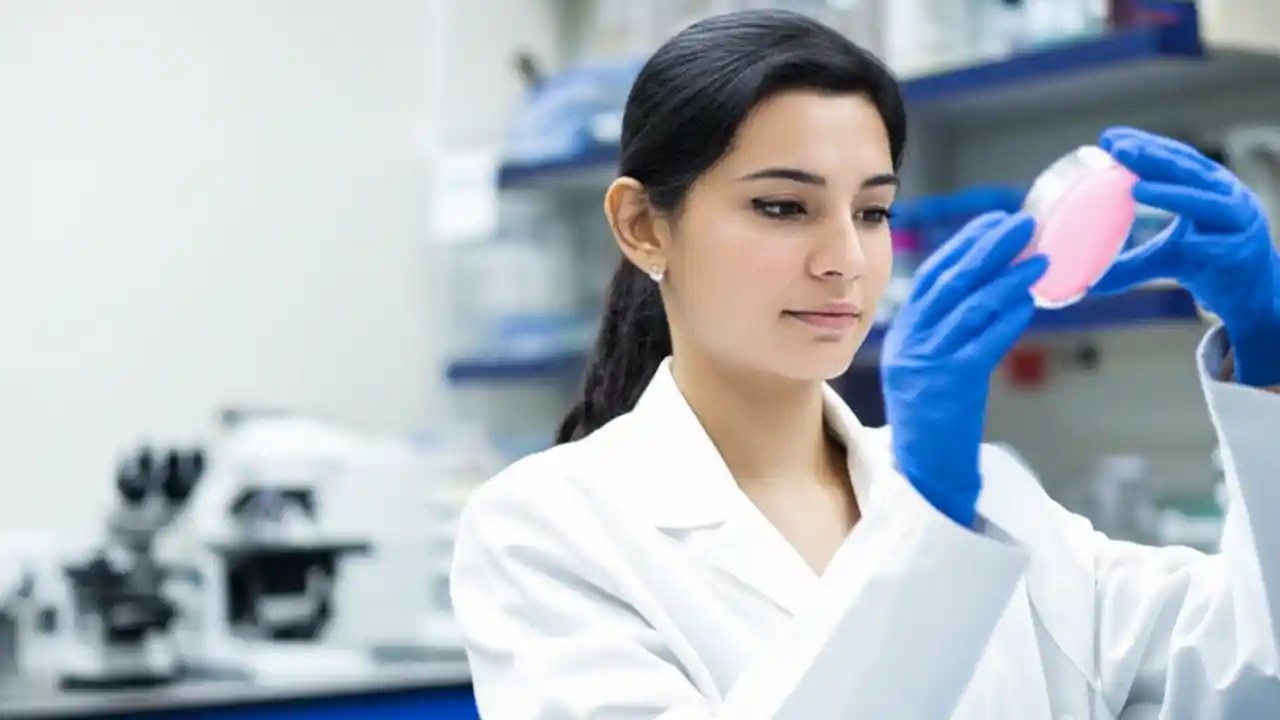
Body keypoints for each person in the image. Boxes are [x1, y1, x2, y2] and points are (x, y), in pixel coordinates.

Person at [450, 9, 1280, 719]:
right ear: (642, 226)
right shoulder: (544, 531)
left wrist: (1269, 357)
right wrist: (930, 525)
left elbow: (1250, 671)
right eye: (783, 207)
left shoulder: (998, 497)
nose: (846, 258)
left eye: (873, 210)